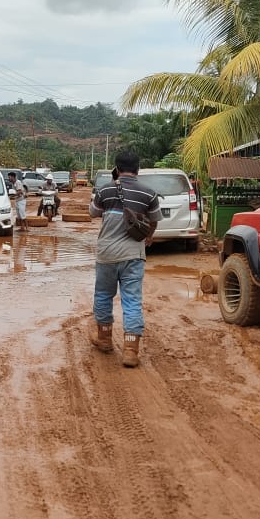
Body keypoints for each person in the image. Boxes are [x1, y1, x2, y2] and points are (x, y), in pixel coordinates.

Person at [88, 151, 162, 367]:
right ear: (138, 169)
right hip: (133, 255)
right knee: (132, 301)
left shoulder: (106, 190)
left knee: (103, 295)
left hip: (106, 255)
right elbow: (155, 220)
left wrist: (112, 184)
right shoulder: (149, 193)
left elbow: (93, 213)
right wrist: (148, 236)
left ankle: (104, 340)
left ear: (117, 168)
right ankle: (130, 350)